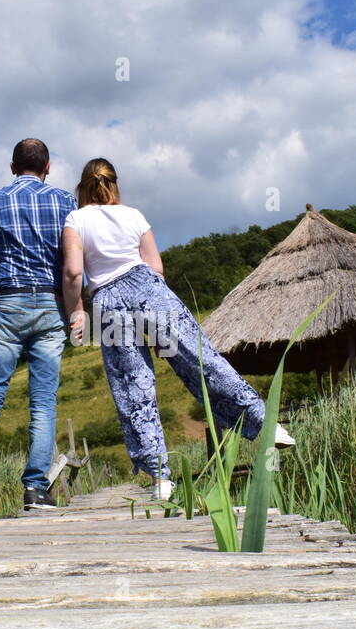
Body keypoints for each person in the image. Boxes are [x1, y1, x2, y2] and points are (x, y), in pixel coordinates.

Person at [60, 158, 293, 500]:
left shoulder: (75, 219)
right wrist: (159, 331)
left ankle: (160, 479)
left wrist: (76, 311)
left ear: (82, 187)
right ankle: (265, 422)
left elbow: (72, 274)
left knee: (134, 387)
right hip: (149, 289)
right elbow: (156, 266)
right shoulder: (134, 215)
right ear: (114, 184)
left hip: (109, 301)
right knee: (202, 360)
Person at [0, 138, 78, 512]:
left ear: (12, 167)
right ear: (48, 166)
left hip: (8, 302)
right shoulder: (66, 203)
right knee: (42, 404)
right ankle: (36, 490)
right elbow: (74, 259)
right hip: (51, 304)